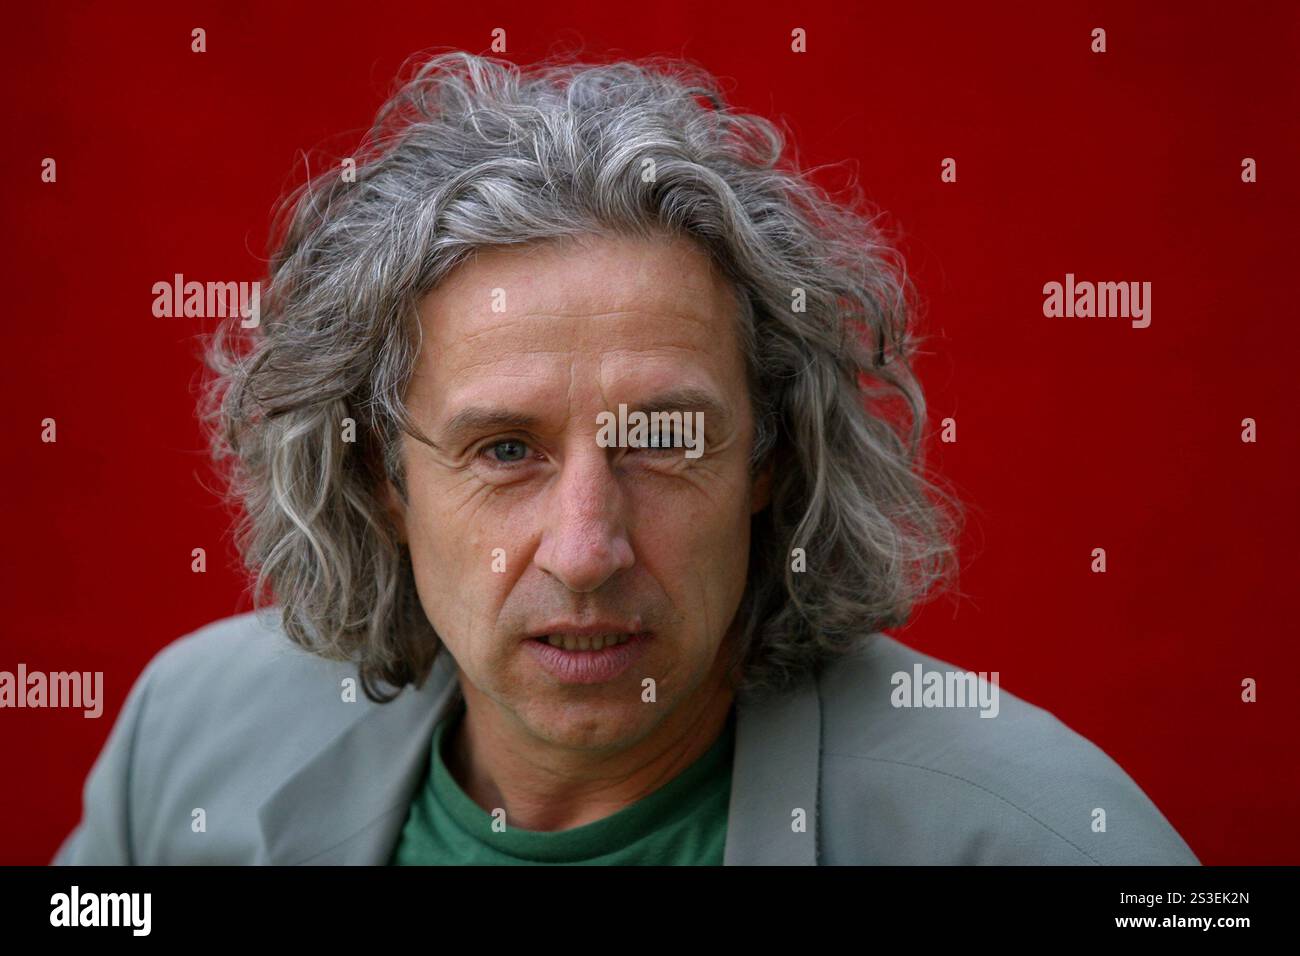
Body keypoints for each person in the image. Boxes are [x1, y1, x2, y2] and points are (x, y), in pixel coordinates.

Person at [53, 51, 1198, 866]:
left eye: (665, 439)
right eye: (505, 448)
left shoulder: (1035, 833)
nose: (588, 547)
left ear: (771, 462)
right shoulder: (187, 740)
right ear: (380, 484)